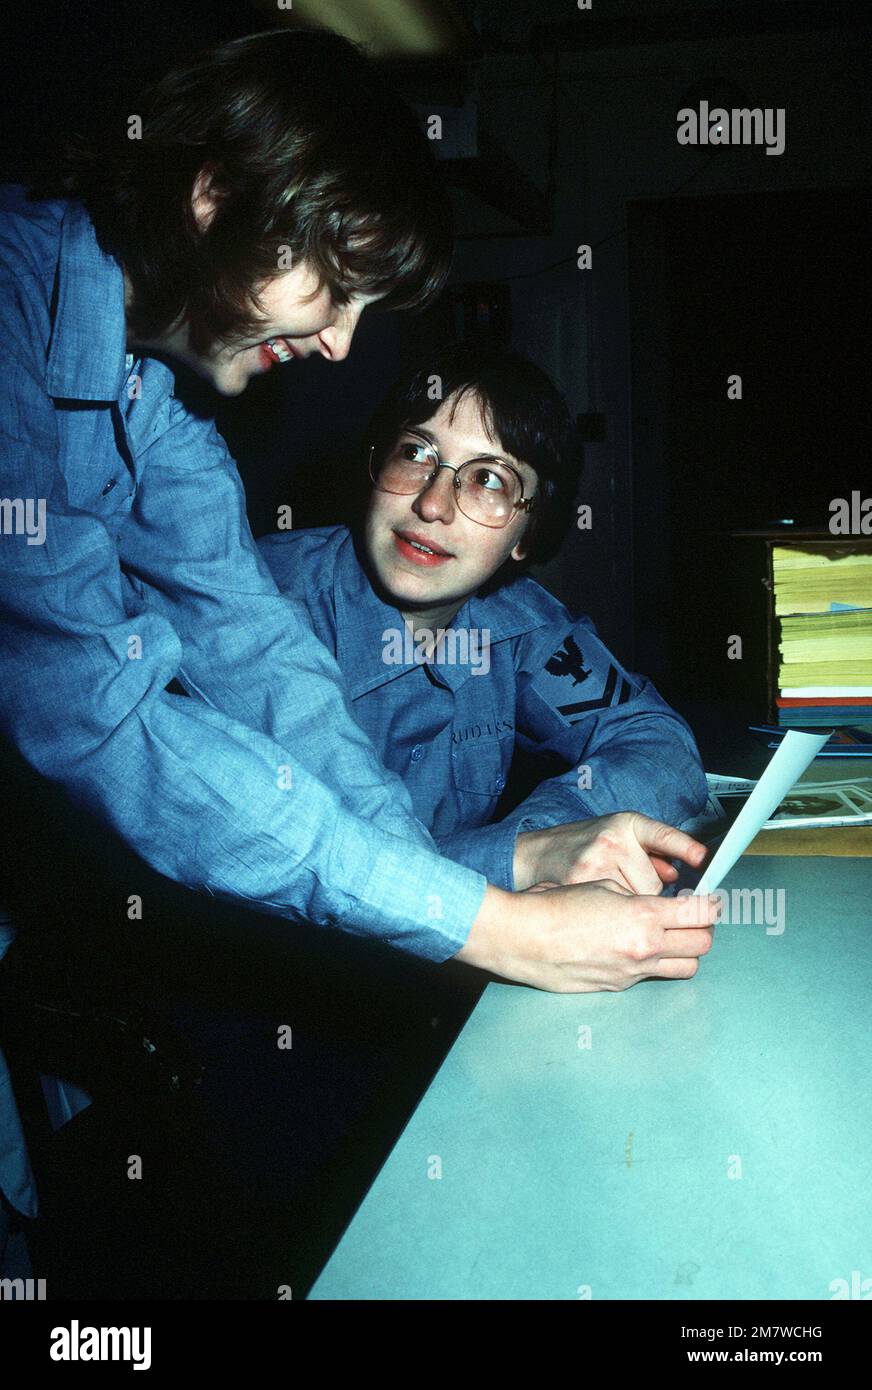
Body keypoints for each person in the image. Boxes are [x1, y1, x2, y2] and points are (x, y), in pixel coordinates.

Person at [0, 27, 715, 1288]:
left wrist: (518, 871)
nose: (338, 347)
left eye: (491, 481)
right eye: (336, 286)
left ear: (531, 532)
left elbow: (267, 667)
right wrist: (492, 905)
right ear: (219, 199)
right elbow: (114, 726)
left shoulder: (143, 404)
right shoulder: (12, 312)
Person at [258, 343, 710, 895]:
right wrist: (519, 859)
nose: (433, 505)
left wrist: (554, 831)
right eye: (416, 453)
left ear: (528, 536)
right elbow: (321, 869)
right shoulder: (258, 608)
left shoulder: (518, 624)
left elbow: (654, 736)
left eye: (489, 480)